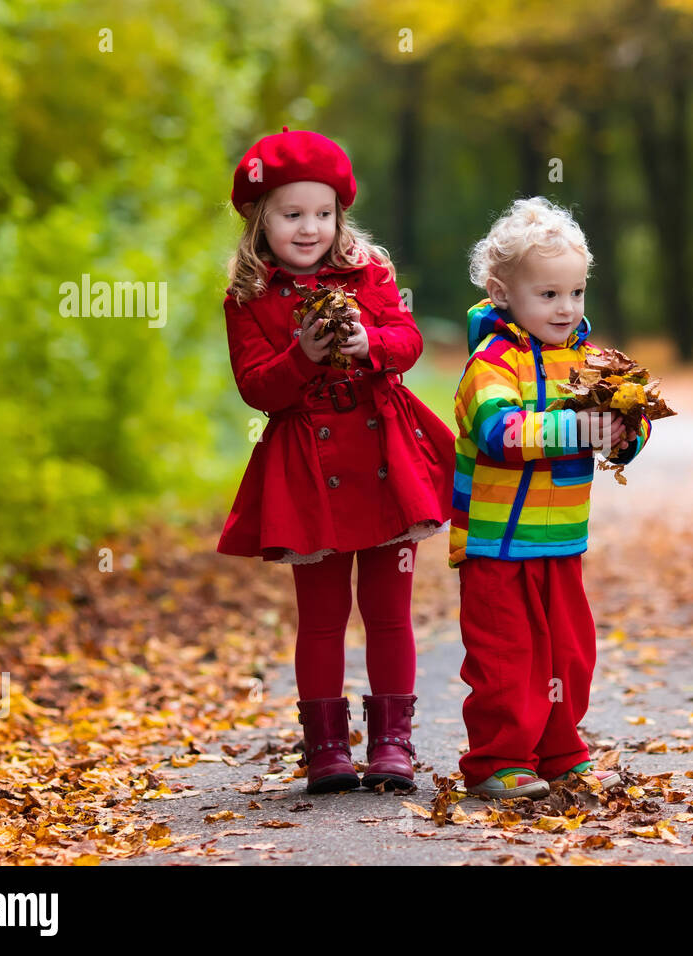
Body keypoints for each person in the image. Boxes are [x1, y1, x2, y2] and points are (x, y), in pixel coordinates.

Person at [217, 127, 454, 794]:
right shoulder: (248, 297)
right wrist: (305, 356)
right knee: (320, 616)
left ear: (340, 216)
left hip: (384, 456)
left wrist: (367, 340)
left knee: (388, 609)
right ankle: (325, 747)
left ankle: (392, 744)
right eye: (292, 214)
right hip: (307, 471)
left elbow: (407, 343)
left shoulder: (368, 272)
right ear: (261, 219)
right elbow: (256, 386)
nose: (310, 228)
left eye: (323, 214)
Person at [450, 196, 651, 799]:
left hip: (561, 540)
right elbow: (500, 432)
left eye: (576, 293)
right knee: (508, 659)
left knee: (569, 655)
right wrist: (578, 430)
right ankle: (499, 759)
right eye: (548, 295)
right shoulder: (490, 365)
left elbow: (624, 425)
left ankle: (561, 750)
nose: (566, 308)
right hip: (496, 543)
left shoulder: (591, 364)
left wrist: (623, 436)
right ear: (503, 292)